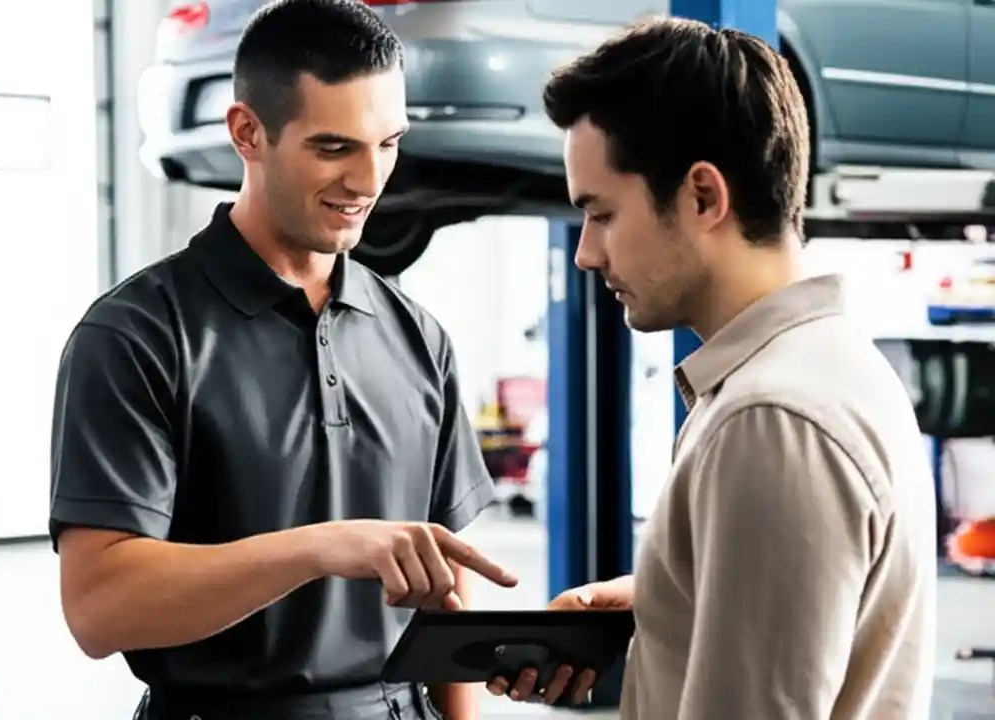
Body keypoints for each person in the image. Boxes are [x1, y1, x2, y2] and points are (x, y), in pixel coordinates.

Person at [48, 1, 518, 718]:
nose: (368, 182)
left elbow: (445, 580)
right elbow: (99, 608)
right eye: (334, 148)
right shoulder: (136, 336)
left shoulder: (419, 337)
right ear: (248, 133)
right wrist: (318, 550)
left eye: (387, 143)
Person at [489, 16, 938, 719]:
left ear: (703, 196)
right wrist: (672, 597)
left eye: (601, 214)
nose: (586, 253)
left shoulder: (772, 419)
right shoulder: (831, 368)